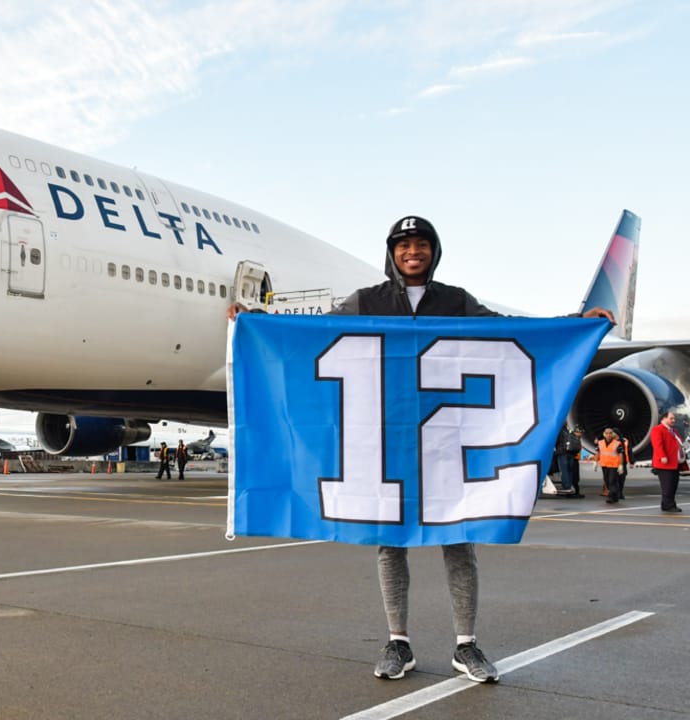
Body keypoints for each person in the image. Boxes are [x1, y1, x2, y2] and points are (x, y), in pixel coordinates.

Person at [230, 215, 613, 684]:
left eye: (422, 244)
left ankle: (466, 644)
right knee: (390, 547)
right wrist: (258, 323)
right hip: (386, 448)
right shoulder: (366, 301)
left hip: (445, 448)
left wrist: (573, 324)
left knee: (459, 544)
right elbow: (317, 332)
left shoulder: (455, 301)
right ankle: (398, 642)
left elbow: (512, 331)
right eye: (404, 244)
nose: (413, 252)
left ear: (434, 251)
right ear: (392, 252)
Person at [650, 411, 683, 512]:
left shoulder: (673, 431)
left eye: (674, 418)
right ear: (664, 419)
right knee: (667, 486)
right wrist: (662, 456)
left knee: (673, 485)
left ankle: (668, 504)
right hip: (665, 463)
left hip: (674, 463)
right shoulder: (658, 429)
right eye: (671, 418)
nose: (674, 420)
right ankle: (668, 505)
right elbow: (657, 444)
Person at [597, 428, 627, 503]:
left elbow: (621, 454)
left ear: (612, 434)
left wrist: (620, 465)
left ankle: (611, 496)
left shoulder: (617, 443)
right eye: (607, 433)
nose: (608, 435)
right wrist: (595, 461)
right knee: (607, 481)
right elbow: (598, 452)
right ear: (604, 434)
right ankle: (616, 495)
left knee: (612, 481)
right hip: (604, 465)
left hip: (614, 465)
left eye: (610, 433)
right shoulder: (600, 443)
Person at [555, 424, 585, 497]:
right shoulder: (569, 432)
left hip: (563, 453)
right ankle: (573, 488)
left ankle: (567, 488)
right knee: (570, 471)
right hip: (572, 455)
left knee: (564, 471)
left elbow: (556, 441)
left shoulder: (560, 431)